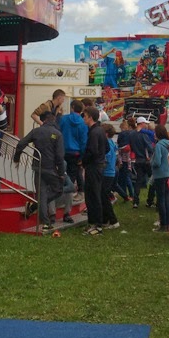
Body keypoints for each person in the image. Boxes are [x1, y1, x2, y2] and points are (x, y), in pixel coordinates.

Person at [14, 111, 66, 232]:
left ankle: (44, 221)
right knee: (58, 190)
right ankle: (35, 209)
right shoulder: (57, 134)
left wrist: (16, 158)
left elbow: (21, 143)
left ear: (43, 121)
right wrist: (61, 173)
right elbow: (59, 156)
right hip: (50, 168)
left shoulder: (36, 131)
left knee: (41, 194)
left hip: (37, 167)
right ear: (52, 120)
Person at [81, 107, 108, 236]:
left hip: (93, 166)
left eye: (85, 116)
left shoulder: (93, 132)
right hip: (99, 165)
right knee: (94, 194)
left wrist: (84, 161)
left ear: (90, 117)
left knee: (92, 196)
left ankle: (97, 224)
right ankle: (94, 223)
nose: (83, 118)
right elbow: (107, 148)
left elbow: (92, 150)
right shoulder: (101, 130)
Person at [58, 99, 88, 206]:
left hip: (63, 151)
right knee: (73, 174)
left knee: (61, 173)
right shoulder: (83, 123)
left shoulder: (64, 119)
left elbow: (58, 133)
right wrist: (82, 156)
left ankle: (61, 195)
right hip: (76, 153)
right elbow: (84, 141)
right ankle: (70, 198)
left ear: (73, 107)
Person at [150, 126, 169, 232]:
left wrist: (151, 163)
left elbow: (157, 161)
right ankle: (168, 222)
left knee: (161, 200)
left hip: (160, 174)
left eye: (155, 133)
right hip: (168, 174)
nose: (154, 135)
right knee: (167, 199)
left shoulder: (158, 145)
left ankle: (163, 224)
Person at [128, 117, 152, 208]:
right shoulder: (143, 134)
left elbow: (131, 146)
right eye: (145, 123)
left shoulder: (131, 134)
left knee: (138, 180)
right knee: (153, 180)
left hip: (137, 160)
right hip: (146, 160)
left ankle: (135, 201)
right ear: (141, 123)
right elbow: (149, 146)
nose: (146, 125)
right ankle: (150, 200)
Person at [100, 124, 121, 230]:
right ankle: (106, 219)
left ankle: (113, 220)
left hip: (107, 173)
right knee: (104, 196)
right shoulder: (112, 143)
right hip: (111, 172)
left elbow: (106, 158)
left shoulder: (107, 143)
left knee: (104, 197)